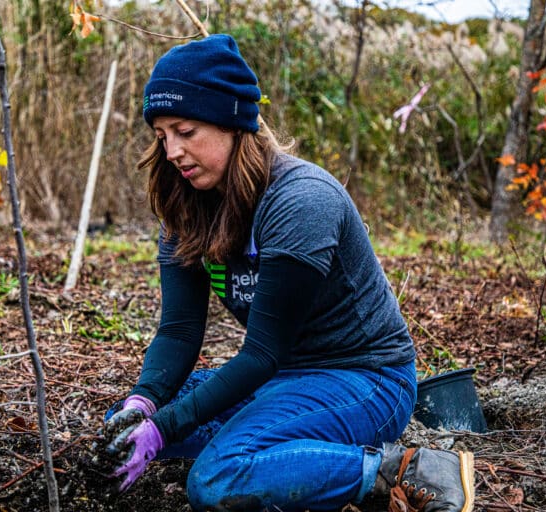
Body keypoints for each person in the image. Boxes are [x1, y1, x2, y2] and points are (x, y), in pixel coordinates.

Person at [101, 34, 475, 512]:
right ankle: (297, 462)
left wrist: (168, 427)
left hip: (364, 379)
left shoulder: (300, 200)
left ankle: (402, 471)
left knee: (215, 478)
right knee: (120, 426)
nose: (172, 151)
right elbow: (178, 332)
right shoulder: (187, 208)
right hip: (283, 379)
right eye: (161, 136)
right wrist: (145, 407)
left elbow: (261, 354)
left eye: (186, 131)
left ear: (232, 122)